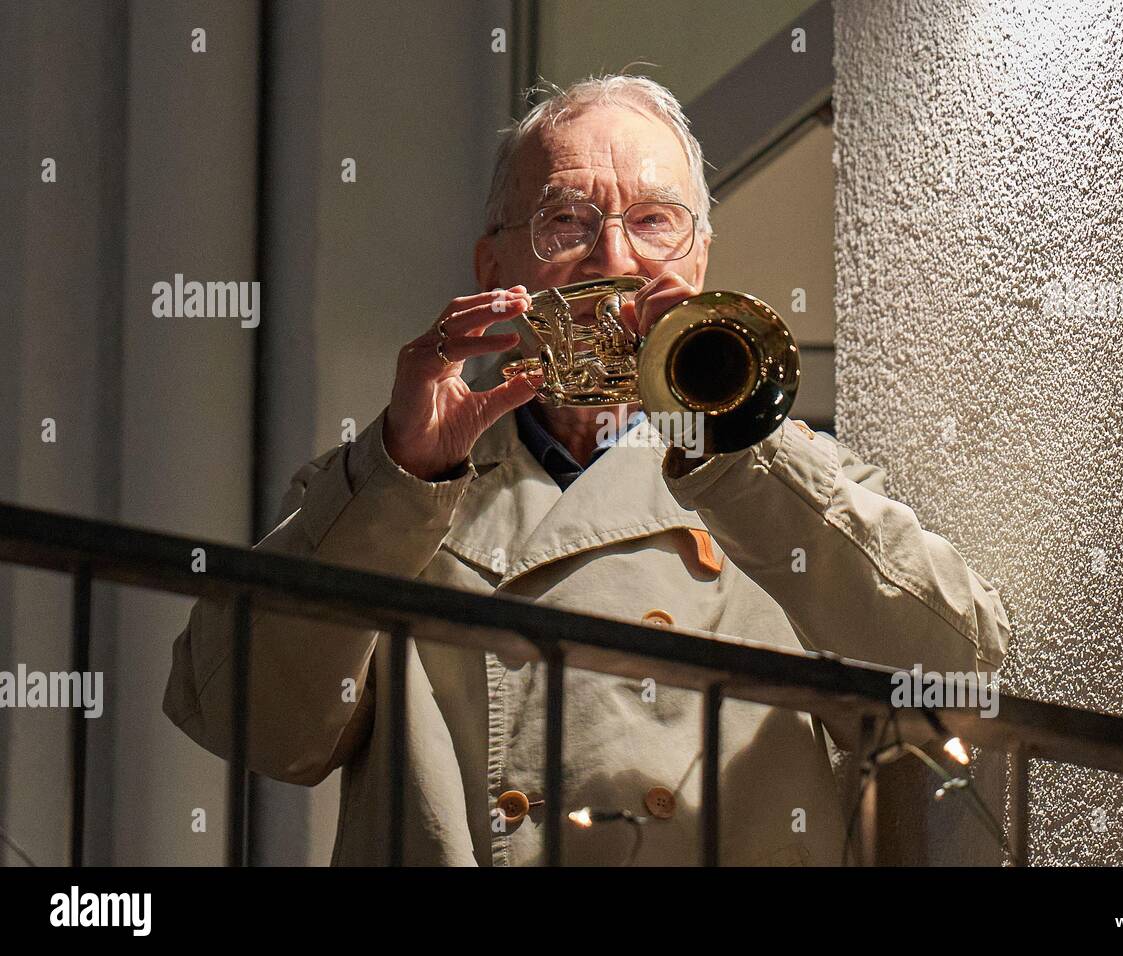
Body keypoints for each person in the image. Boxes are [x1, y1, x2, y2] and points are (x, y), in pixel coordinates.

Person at [163, 75, 1010, 866]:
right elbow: (256, 724)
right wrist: (399, 474)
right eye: (565, 224)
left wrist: (740, 450)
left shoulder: (787, 480)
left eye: (653, 222)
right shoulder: (381, 489)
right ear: (495, 271)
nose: (613, 259)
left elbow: (959, 674)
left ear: (699, 259)